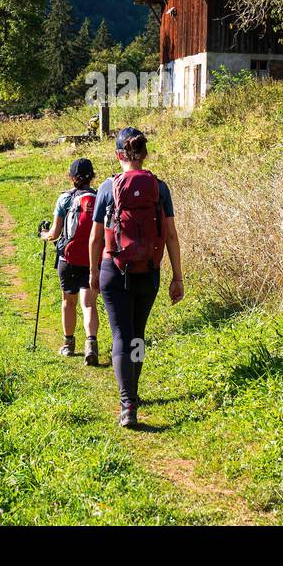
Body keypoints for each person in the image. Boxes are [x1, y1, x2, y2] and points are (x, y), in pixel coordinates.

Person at [89, 127, 183, 428]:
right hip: (149, 272)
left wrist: (93, 272)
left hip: (114, 271)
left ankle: (127, 404)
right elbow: (170, 235)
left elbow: (94, 239)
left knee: (120, 336)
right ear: (144, 154)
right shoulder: (159, 187)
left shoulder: (107, 187)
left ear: (119, 155)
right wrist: (177, 276)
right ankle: (134, 393)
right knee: (137, 336)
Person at [41, 158, 101, 365]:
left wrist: (43, 234)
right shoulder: (100, 197)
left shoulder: (64, 199)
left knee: (69, 301)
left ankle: (68, 344)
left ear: (71, 177)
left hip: (68, 259)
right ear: (92, 176)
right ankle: (91, 344)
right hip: (93, 259)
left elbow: (55, 234)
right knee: (89, 303)